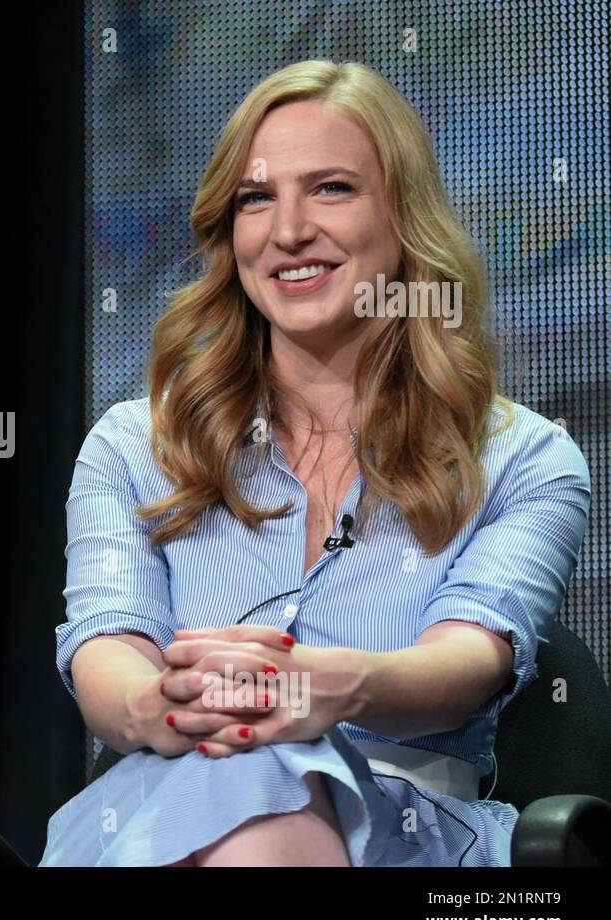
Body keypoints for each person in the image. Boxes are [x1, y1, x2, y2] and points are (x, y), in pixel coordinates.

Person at [39, 61, 591, 867]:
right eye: (256, 198)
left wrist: (328, 690)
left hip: (409, 832)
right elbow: (108, 649)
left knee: (262, 782)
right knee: (235, 780)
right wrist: (156, 702)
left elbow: (468, 661)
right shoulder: (134, 446)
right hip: (163, 809)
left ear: (403, 218)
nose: (288, 229)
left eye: (330, 188)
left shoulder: (523, 458)